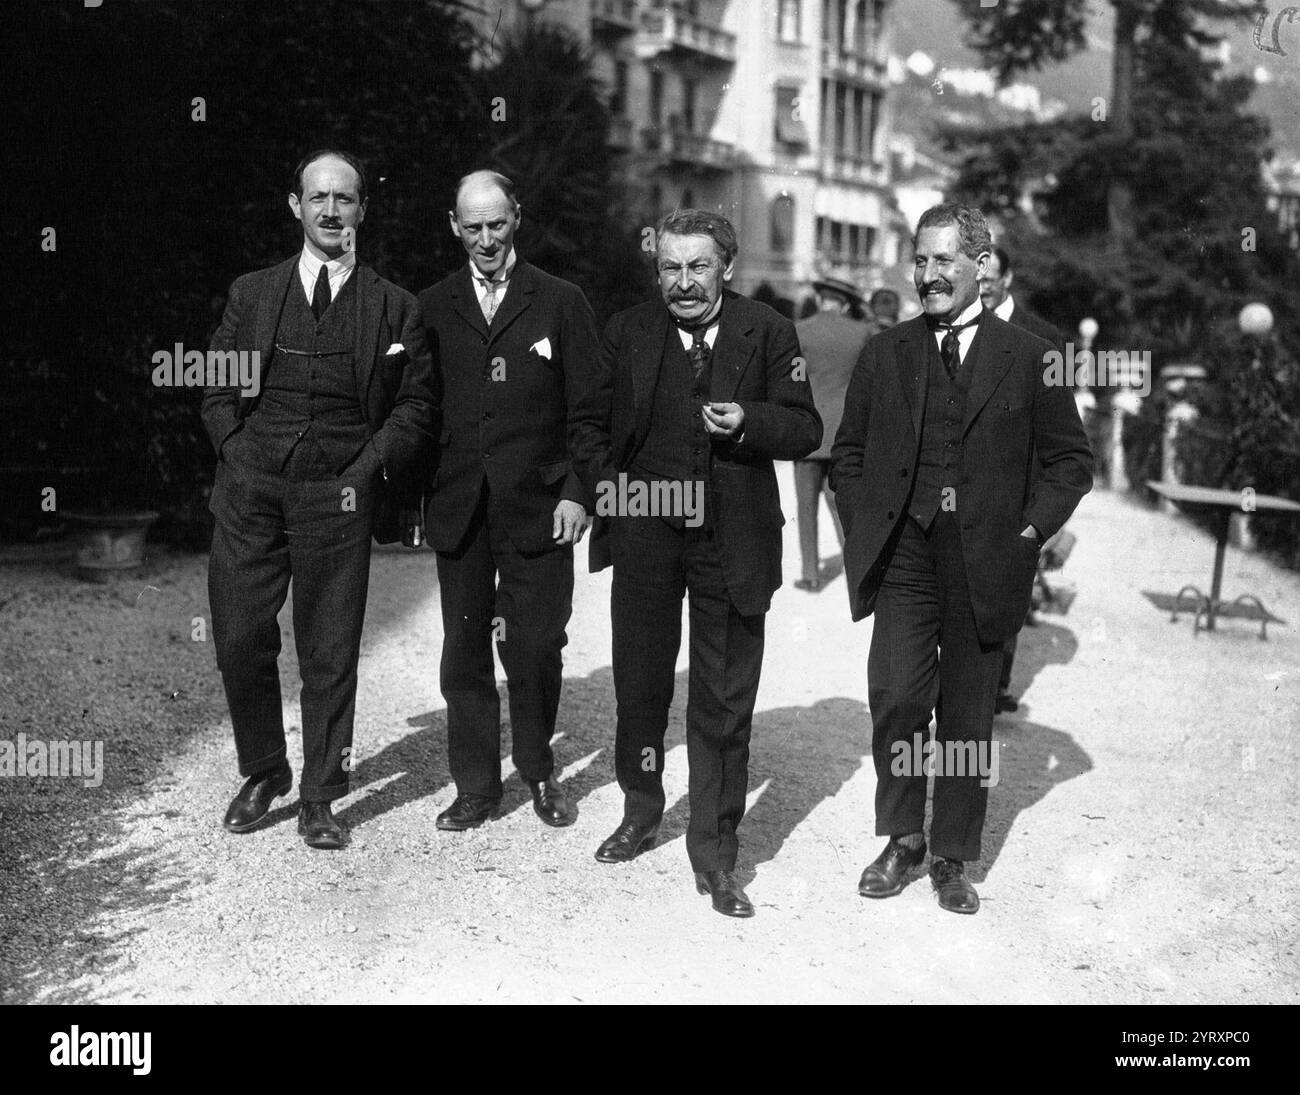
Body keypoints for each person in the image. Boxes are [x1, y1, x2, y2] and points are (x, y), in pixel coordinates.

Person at [831, 203, 1092, 914]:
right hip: (907, 553)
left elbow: (1071, 464)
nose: (929, 274)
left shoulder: (1031, 358)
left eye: (944, 260)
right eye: (920, 260)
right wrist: (868, 528)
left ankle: (950, 853)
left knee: (969, 714)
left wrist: (1029, 533)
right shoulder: (887, 353)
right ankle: (901, 838)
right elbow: (846, 456)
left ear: (982, 265)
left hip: (988, 557)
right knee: (896, 693)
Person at [572, 210, 821, 917]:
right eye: (670, 269)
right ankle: (640, 808)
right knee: (642, 685)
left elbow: (806, 427)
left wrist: (750, 421)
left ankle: (715, 857)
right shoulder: (625, 331)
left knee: (722, 700)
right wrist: (614, 496)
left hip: (732, 539)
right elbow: (585, 426)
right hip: (646, 536)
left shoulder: (769, 331)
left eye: (697, 267)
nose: (683, 283)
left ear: (727, 268)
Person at [204, 149, 438, 850]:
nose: (331, 210)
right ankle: (266, 768)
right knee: (240, 634)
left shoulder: (394, 305)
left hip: (338, 492)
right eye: (318, 198)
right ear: (295, 206)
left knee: (330, 650)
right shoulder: (252, 292)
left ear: (362, 209)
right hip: (251, 489)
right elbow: (217, 385)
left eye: (345, 199)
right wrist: (237, 453)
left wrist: (365, 470)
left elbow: (417, 404)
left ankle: (320, 794)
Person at [416, 170, 598, 832]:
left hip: (541, 506)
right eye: (474, 226)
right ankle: (475, 786)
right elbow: (420, 408)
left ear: (516, 217)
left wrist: (580, 491)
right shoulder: (432, 305)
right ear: (454, 226)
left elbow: (590, 409)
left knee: (535, 643)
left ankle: (538, 767)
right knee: (463, 649)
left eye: (497, 224)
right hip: (460, 504)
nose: (486, 238)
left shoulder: (560, 300)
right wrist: (411, 500)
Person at [978, 246, 1068, 714]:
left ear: (1008, 278)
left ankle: (994, 688)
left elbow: (1061, 432)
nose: (985, 284)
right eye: (979, 275)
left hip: (1021, 486)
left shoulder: (1046, 339)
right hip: (966, 484)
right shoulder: (959, 327)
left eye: (992, 276)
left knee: (1009, 583)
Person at [792, 277, 875, 592]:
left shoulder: (800, 331)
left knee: (806, 506)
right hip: (844, 433)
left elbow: (792, 376)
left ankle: (811, 575)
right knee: (841, 503)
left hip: (808, 431)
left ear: (821, 299)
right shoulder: (861, 334)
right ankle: (857, 571)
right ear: (844, 304)